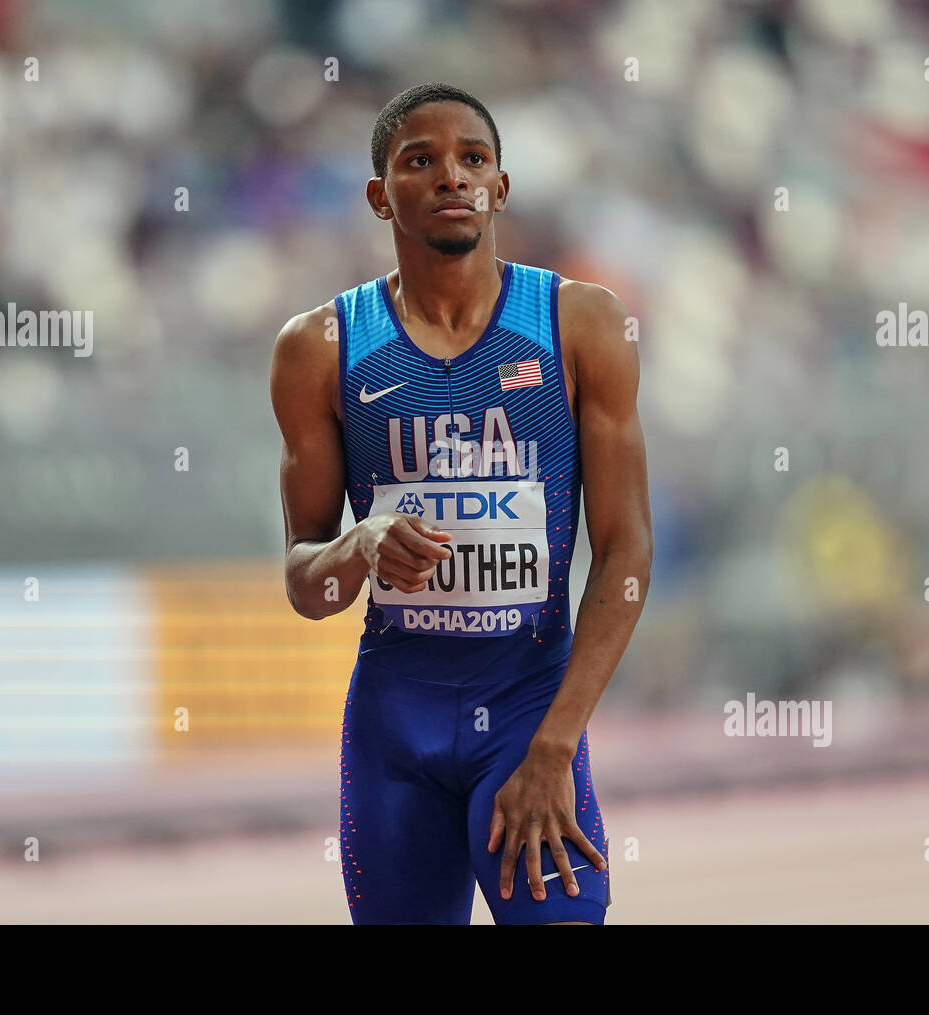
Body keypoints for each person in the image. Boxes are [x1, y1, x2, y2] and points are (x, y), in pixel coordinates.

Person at [269, 82, 652, 924]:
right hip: (393, 727)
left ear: (501, 187)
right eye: (421, 161)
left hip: (527, 711)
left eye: (473, 159)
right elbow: (307, 585)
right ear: (380, 196)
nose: (452, 177)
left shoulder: (581, 325)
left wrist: (557, 742)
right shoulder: (319, 349)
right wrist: (360, 542)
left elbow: (625, 551)